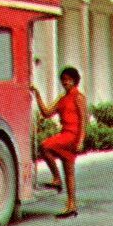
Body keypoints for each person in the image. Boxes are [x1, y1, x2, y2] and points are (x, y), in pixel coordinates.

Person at [35, 66, 86, 218]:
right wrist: (37, 94)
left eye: (69, 80)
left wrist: (80, 141)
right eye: (63, 80)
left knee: (45, 146)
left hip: (72, 136)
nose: (66, 82)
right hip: (65, 134)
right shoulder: (62, 99)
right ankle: (71, 206)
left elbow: (83, 120)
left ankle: (57, 179)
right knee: (69, 172)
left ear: (75, 81)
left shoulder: (79, 97)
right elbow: (46, 113)